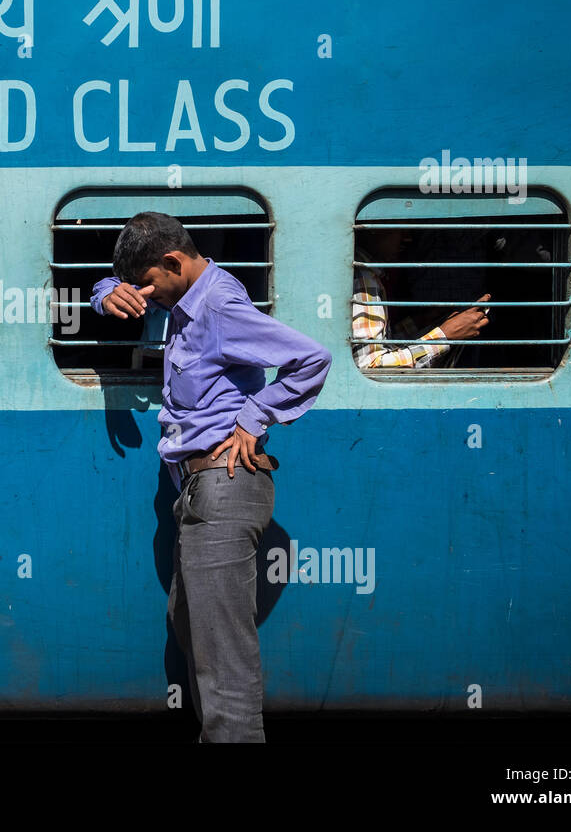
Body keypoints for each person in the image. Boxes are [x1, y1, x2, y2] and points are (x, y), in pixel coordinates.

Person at [91, 212, 331, 742]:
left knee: (222, 654)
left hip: (225, 481)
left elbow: (312, 358)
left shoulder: (219, 305)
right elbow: (116, 287)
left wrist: (253, 416)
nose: (145, 297)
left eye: (148, 284)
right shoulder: (186, 295)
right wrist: (109, 290)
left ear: (173, 262)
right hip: (199, 487)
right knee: (191, 623)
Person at [352, 227, 490, 368]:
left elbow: (381, 346)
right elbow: (370, 366)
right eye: (399, 226)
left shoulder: (367, 274)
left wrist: (421, 323)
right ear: (374, 229)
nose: (407, 237)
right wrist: (443, 336)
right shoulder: (363, 278)